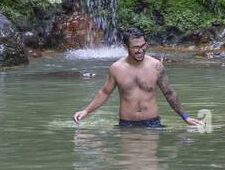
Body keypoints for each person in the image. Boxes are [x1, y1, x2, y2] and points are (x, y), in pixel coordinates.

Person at [73, 29, 204, 128]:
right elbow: (104, 93)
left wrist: (185, 117)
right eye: (136, 47)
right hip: (126, 124)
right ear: (126, 47)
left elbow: (169, 93)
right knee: (129, 161)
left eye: (143, 46)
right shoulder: (116, 68)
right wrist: (86, 111)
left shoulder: (156, 66)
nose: (140, 50)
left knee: (149, 161)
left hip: (152, 123)